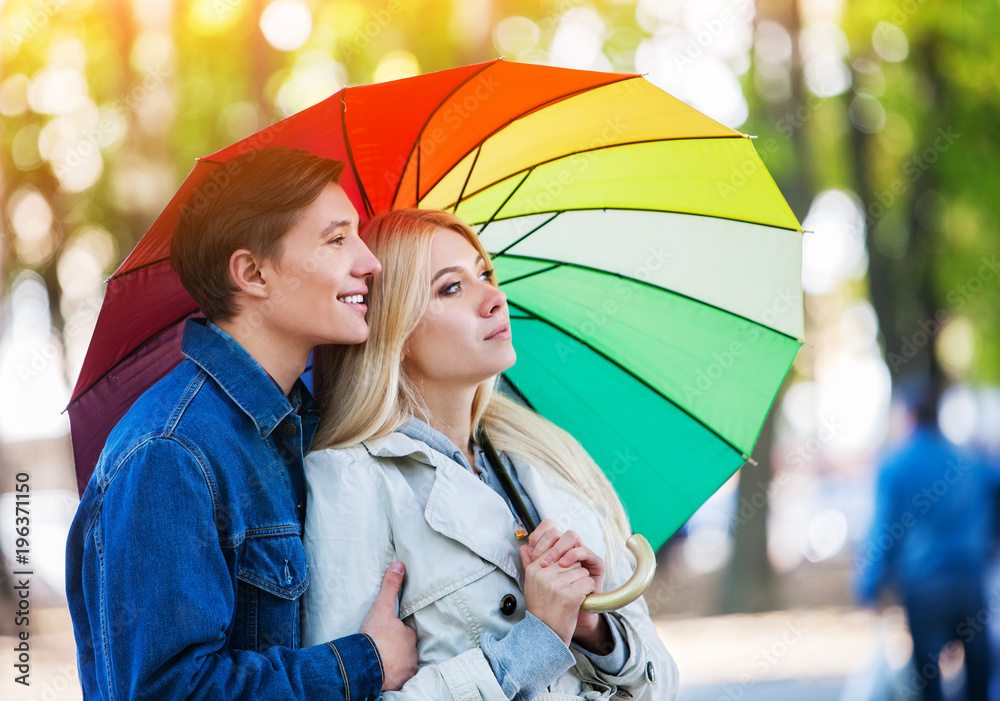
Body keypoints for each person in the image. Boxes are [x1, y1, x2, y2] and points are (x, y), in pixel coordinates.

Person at [66, 147, 418, 701]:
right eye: (337, 239)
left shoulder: (305, 425)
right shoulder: (172, 452)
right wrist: (362, 665)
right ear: (252, 272)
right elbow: (169, 693)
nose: (370, 262)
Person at [302, 208, 678, 700]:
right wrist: (536, 640)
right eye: (451, 288)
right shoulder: (349, 478)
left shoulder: (545, 454)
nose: (495, 298)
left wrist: (593, 629)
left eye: (484, 274)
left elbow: (663, 684)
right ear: (398, 332)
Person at [856, 379, 995, 701]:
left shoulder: (895, 466)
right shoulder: (970, 462)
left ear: (908, 416)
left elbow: (884, 529)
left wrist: (870, 585)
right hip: (969, 583)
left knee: (929, 681)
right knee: (978, 677)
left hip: (923, 587)